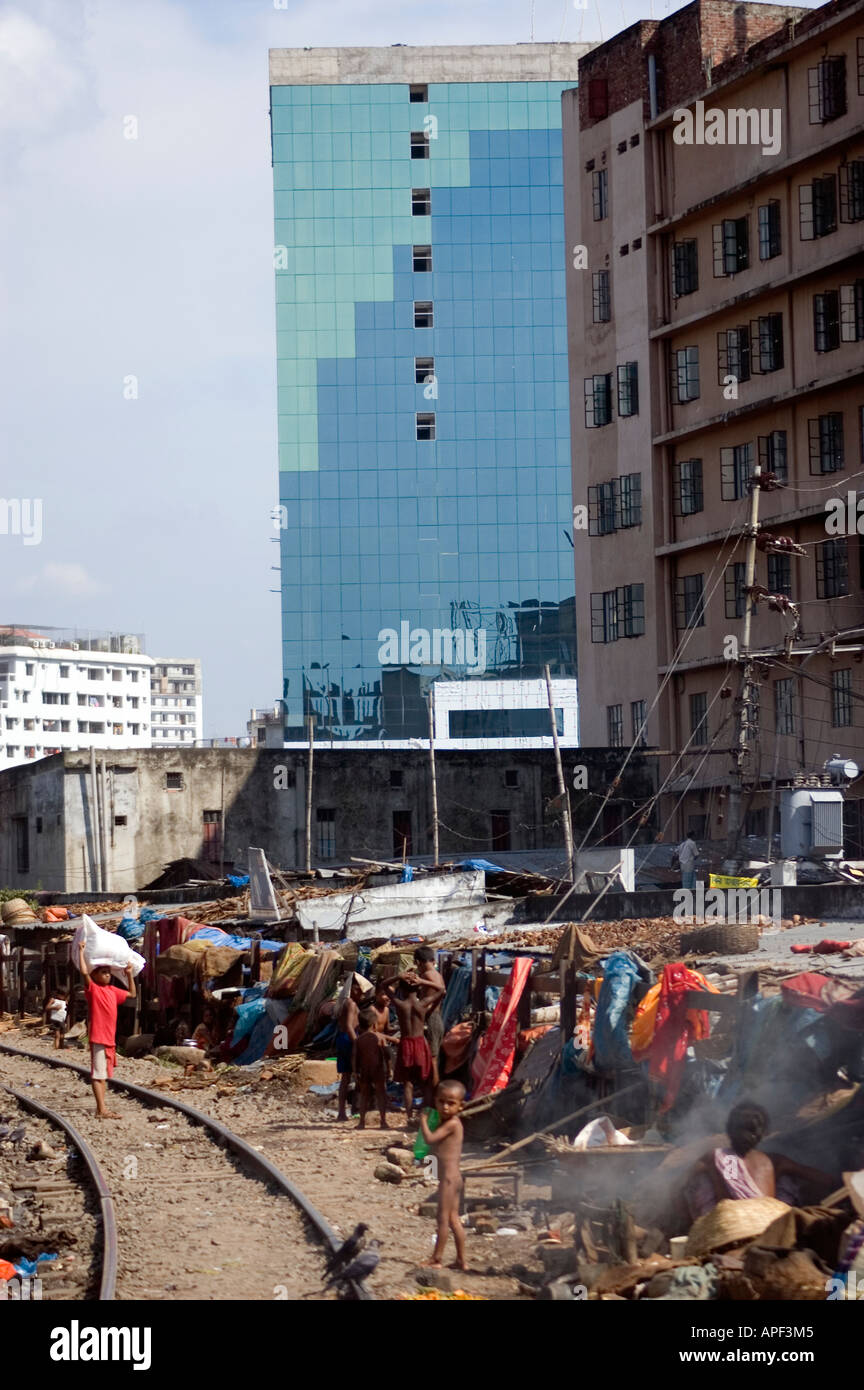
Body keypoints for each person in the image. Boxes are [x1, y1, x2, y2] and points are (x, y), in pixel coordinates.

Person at [686, 1101, 833, 1219]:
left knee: (702, 1180)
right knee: (787, 1182)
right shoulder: (775, 1161)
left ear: (729, 1130)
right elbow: (822, 1178)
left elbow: (680, 1185)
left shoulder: (717, 1157)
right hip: (767, 1227)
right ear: (763, 1133)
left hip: (730, 1226)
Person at [77, 942, 135, 1119]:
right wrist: (81, 951)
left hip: (109, 1038)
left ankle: (102, 1109)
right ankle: (101, 1109)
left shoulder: (113, 991)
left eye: (109, 972)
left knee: (103, 1075)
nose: (108, 975)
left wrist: (130, 974)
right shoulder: (92, 989)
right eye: (103, 972)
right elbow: (84, 972)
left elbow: (132, 994)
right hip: (98, 1037)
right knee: (98, 1075)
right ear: (95, 975)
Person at [419, 1081, 467, 1270]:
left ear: (460, 1106)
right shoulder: (447, 1122)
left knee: (443, 1219)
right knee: (454, 1219)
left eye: (451, 1103)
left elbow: (430, 1139)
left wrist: (422, 1120)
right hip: (453, 1178)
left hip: (449, 1180)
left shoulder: (452, 1124)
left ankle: (437, 1258)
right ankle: (461, 1261)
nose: (445, 1107)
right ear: (435, 1101)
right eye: (441, 1102)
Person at [382, 975, 436, 1125]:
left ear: (402, 990)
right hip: (420, 1043)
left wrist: (399, 976)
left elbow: (384, 985)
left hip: (406, 1043)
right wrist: (423, 981)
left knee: (408, 1083)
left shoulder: (400, 1004)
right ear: (418, 989)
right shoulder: (423, 1004)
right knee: (425, 1081)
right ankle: (426, 1116)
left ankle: (409, 1116)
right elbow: (441, 990)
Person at [336, 978, 369, 1122]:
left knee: (348, 1077)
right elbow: (349, 1026)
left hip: (346, 1039)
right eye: (356, 989)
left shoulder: (352, 1003)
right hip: (348, 1039)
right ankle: (347, 1110)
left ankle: (348, 1110)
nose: (359, 992)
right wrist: (357, 1043)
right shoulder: (350, 1003)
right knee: (351, 1075)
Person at [354, 1012, 389, 1130]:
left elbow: (355, 1057)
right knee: (381, 1095)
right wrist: (389, 1069)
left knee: (364, 1095)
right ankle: (383, 1121)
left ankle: (361, 1122)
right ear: (374, 1025)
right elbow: (386, 1055)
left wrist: (355, 1072)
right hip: (378, 1069)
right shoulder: (380, 1038)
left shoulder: (359, 1040)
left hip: (364, 1070)